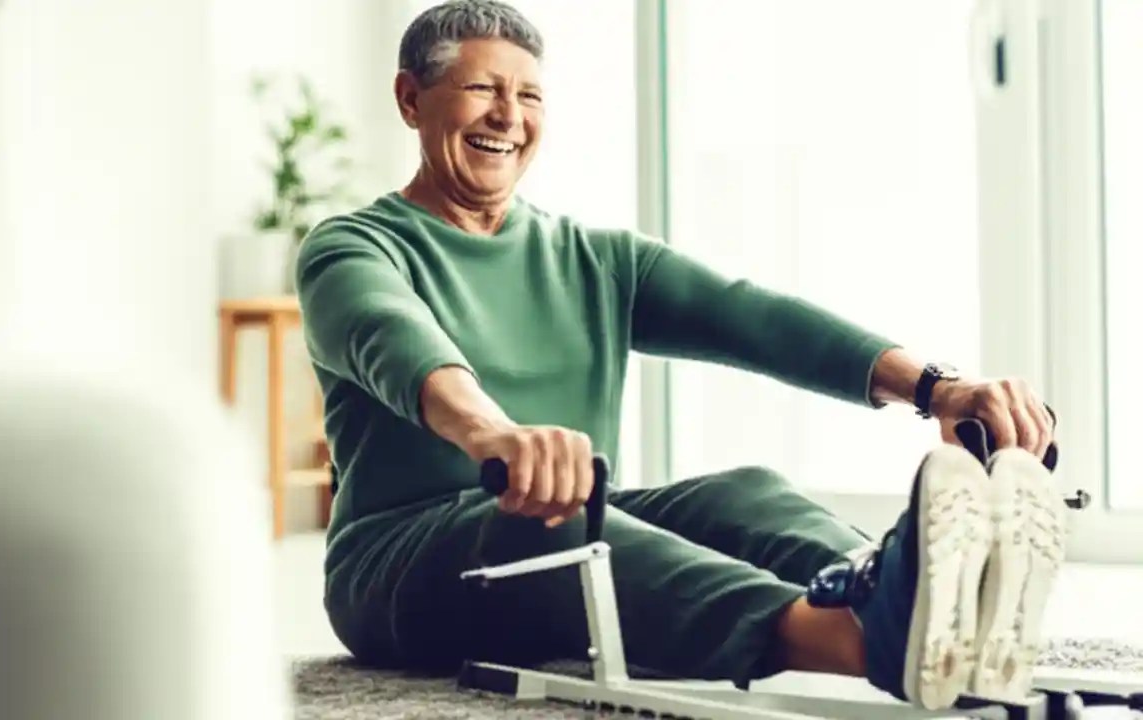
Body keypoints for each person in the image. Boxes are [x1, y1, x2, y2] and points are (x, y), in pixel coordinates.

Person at [295, 0, 1068, 711]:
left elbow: (758, 320)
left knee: (746, 492)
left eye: (529, 96)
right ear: (410, 100)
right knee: (554, 526)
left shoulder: (594, 259)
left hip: (566, 519)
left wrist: (939, 390)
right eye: (481, 89)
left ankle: (918, 594)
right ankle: (853, 639)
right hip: (400, 565)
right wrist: (495, 435)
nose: (509, 116)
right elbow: (400, 343)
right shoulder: (351, 249)